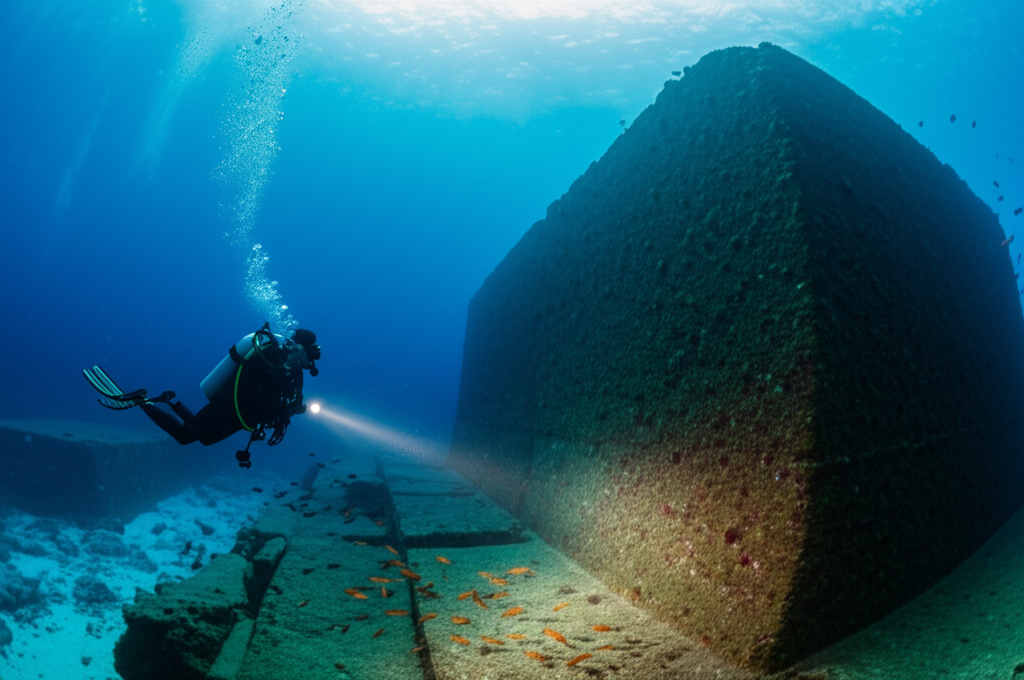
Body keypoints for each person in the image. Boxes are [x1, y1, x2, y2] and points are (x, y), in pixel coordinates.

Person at [84, 324, 321, 468]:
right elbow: (264, 395)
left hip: (240, 416)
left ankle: (168, 401)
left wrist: (292, 408)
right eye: (310, 354)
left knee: (199, 436)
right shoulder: (274, 360)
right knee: (187, 435)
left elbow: (278, 402)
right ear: (300, 348)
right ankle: (144, 401)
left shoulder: (291, 371)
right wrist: (283, 410)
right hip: (231, 406)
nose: (310, 360)